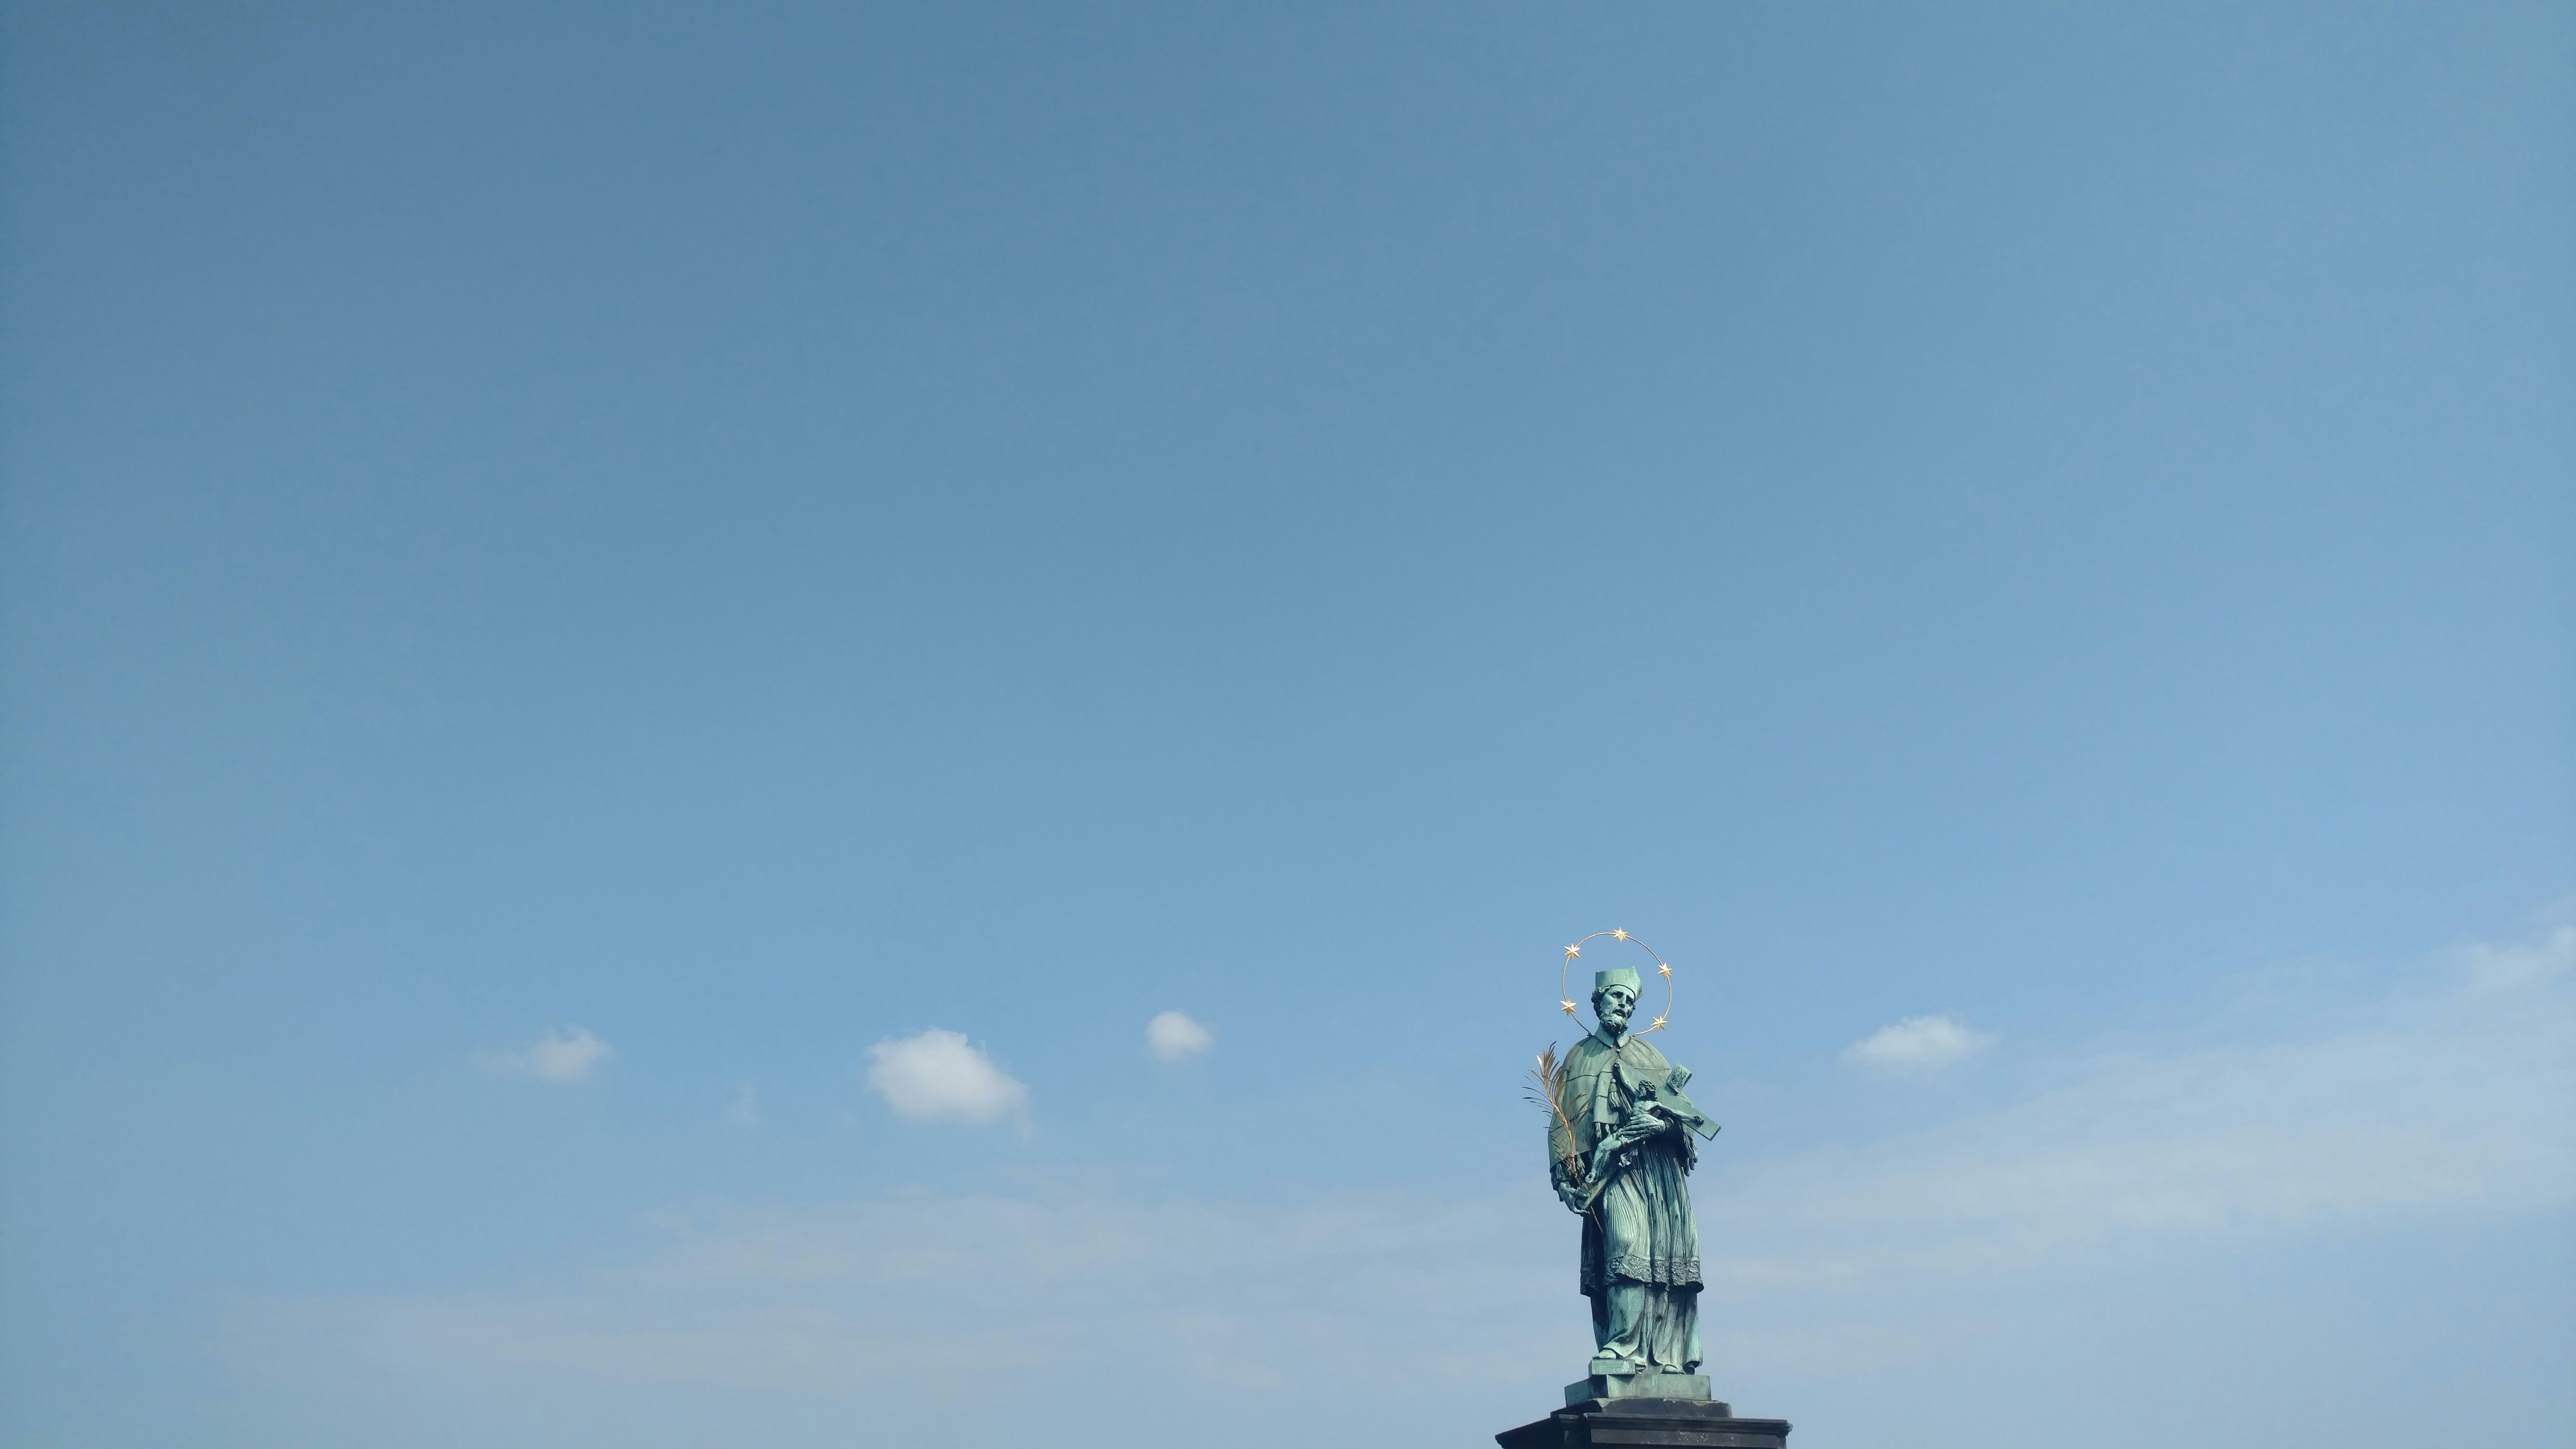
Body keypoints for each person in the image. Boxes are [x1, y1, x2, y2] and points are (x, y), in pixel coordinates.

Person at [1549, 967, 1717, 1376]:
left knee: (1665, 1258)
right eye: (1616, 997)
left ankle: (1668, 1354)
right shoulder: (1578, 1057)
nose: (1624, 1006)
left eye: (1630, 1001)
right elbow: (1562, 1127)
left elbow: (1687, 1122)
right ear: (1597, 1001)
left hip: (1659, 1176)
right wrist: (1569, 1178)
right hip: (1614, 1172)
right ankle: (1623, 1346)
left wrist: (1661, 1125)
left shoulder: (1651, 1058)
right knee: (1626, 1246)